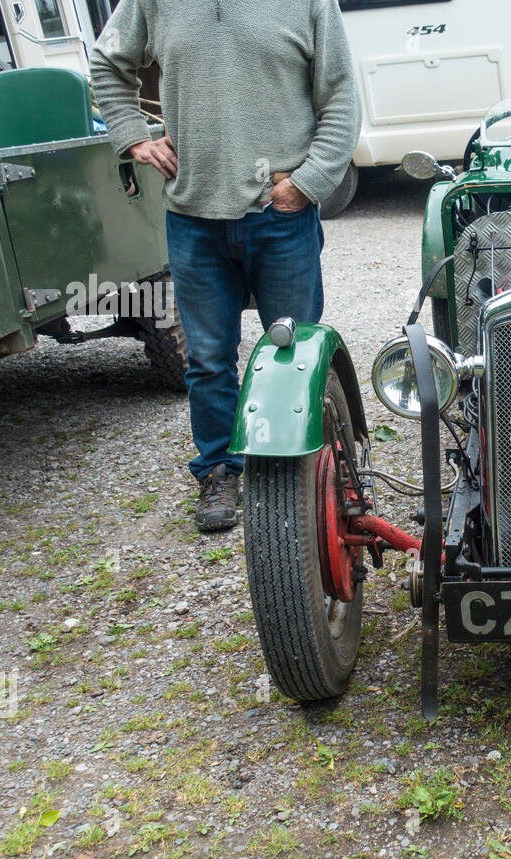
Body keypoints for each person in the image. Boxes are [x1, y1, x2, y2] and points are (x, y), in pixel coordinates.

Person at [89, 0, 361, 531]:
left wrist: (308, 184)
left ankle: (308, 469)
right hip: (193, 217)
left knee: (295, 350)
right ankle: (218, 470)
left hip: (280, 212)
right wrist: (135, 137)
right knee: (209, 360)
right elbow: (106, 62)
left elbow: (342, 95)